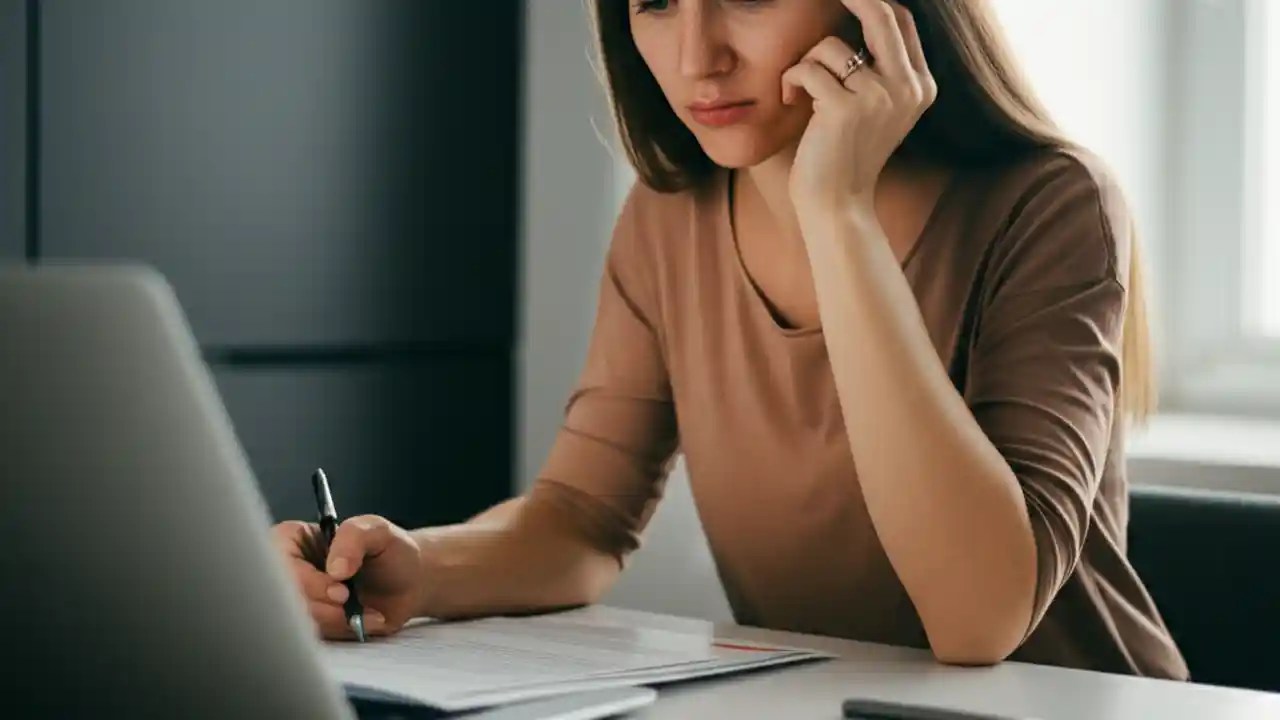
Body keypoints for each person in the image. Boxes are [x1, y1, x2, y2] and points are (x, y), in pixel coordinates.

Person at [273, 0, 1189, 679]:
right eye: (657, 3)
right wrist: (416, 568)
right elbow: (582, 520)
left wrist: (836, 212)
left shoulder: (1050, 202)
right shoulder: (669, 218)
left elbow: (977, 621)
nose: (697, 58)